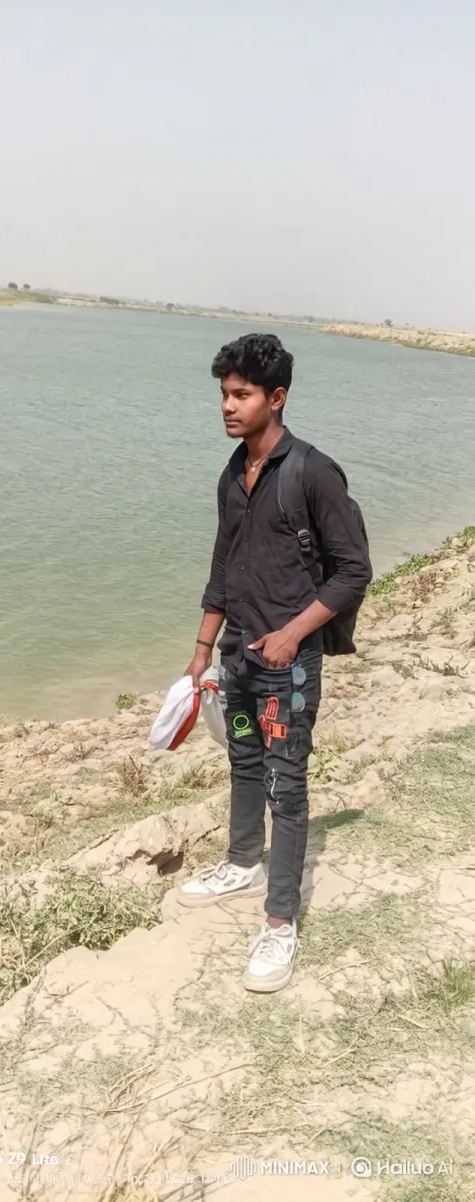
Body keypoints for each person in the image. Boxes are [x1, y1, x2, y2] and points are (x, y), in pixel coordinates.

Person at [179, 332, 372, 993]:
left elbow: (352, 572)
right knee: (241, 759)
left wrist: (294, 635)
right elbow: (222, 565)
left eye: (242, 395)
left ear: (277, 397)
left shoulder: (313, 473)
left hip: (287, 669)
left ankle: (281, 922)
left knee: (286, 788)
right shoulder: (234, 473)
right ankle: (241, 861)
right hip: (236, 662)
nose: (228, 406)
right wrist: (202, 649)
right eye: (223, 395)